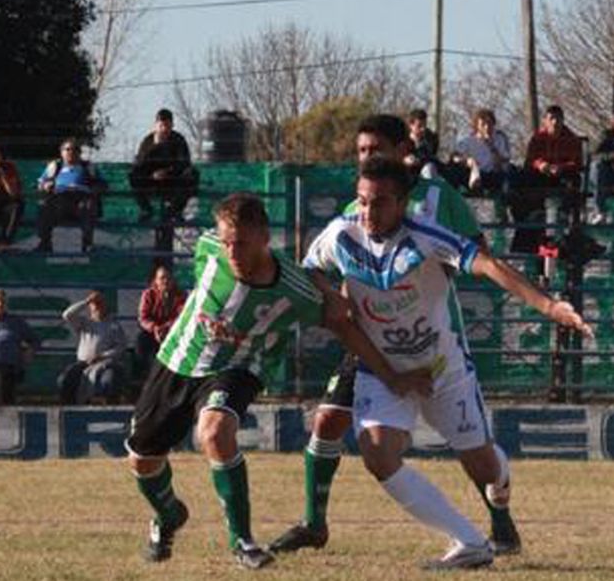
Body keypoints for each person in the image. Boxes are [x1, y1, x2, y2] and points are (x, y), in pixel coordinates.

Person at [298, 156, 592, 569]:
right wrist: (332, 297)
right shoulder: (340, 236)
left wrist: (550, 306)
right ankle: (469, 542)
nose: (368, 212)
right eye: (362, 202)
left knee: (484, 469)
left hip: (442, 370)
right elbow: (309, 269)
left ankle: (501, 477)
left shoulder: (427, 237)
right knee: (377, 453)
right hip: (383, 370)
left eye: (379, 203)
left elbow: (488, 264)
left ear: (402, 203)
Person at [125, 192, 424, 570]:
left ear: (265, 238)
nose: (232, 251)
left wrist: (390, 374)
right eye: (228, 242)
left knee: (214, 433)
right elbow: (205, 273)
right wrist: (206, 320)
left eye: (242, 243)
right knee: (142, 461)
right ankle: (169, 516)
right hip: (177, 360)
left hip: (239, 366)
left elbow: (343, 325)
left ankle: (243, 542)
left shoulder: (293, 288)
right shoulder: (208, 245)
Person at [271, 113, 521, 558]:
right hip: (369, 339)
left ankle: (500, 519)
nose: (366, 158)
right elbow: (321, 266)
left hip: (430, 337)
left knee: (472, 454)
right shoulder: (357, 208)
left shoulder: (436, 196)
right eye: (361, 151)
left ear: (401, 150)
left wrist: (426, 269)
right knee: (330, 421)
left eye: (375, 150)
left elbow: (476, 251)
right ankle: (314, 522)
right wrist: (336, 296)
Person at [512, 105, 585, 253]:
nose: (555, 122)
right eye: (551, 118)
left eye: (558, 118)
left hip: (563, 176)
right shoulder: (537, 138)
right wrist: (541, 165)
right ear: (545, 121)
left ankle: (567, 220)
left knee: (574, 181)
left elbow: (577, 162)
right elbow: (530, 159)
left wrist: (561, 167)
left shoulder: (571, 139)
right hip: (542, 176)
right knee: (522, 178)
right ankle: (529, 215)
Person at [35, 138, 106, 254]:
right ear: (61, 152)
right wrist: (46, 185)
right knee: (44, 205)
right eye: (67, 149)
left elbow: (102, 184)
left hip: (81, 202)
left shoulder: (88, 167)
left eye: (75, 150)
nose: (71, 152)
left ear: (80, 153)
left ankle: (87, 244)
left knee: (89, 205)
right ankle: (45, 242)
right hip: (59, 201)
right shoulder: (55, 166)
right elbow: (40, 183)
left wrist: (93, 189)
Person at [128, 109, 199, 224]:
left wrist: (167, 172)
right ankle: (146, 210)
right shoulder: (148, 141)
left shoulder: (178, 140)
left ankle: (174, 211)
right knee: (133, 175)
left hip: (173, 180)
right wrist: (155, 146)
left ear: (172, 126)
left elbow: (184, 163)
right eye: (161, 126)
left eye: (168, 126)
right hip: (152, 181)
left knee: (192, 174)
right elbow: (140, 164)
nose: (164, 129)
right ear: (156, 126)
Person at [57, 291, 129, 404]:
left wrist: (101, 356)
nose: (97, 307)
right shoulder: (84, 323)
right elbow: (67, 315)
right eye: (94, 304)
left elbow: (121, 347)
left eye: (100, 303)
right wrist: (86, 301)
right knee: (64, 379)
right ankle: (69, 410)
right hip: (83, 363)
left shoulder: (114, 325)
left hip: (105, 364)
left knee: (109, 381)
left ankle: (110, 410)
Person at [136, 264, 186, 378]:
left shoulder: (181, 295)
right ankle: (145, 375)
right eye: (162, 278)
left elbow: (182, 317)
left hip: (173, 332)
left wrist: (166, 328)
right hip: (152, 332)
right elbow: (143, 317)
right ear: (156, 281)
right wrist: (155, 328)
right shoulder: (148, 294)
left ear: (173, 280)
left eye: (168, 278)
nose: (165, 281)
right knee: (140, 341)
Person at [452, 108, 516, 195]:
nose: (487, 127)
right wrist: (467, 160)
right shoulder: (469, 141)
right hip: (478, 174)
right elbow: (454, 157)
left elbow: (505, 159)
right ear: (477, 126)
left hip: (495, 175)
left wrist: (491, 146)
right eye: (483, 124)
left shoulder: (499, 138)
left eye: (490, 123)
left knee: (511, 174)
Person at [404, 108, 441, 179]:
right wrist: (405, 160)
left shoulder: (430, 139)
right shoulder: (403, 140)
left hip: (427, 171)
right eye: (419, 126)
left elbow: (433, 157)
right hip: (409, 174)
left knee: (430, 167)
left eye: (424, 125)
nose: (423, 129)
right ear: (411, 125)